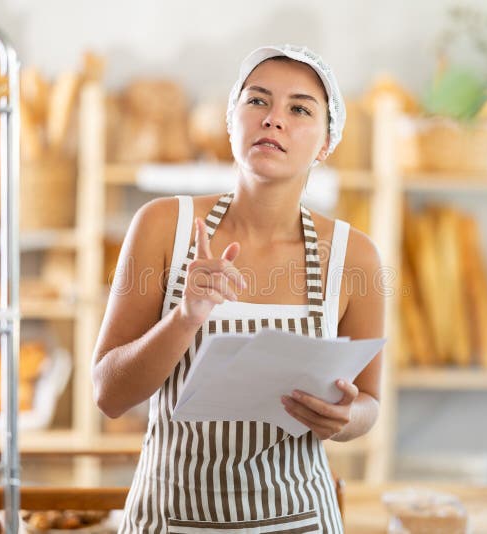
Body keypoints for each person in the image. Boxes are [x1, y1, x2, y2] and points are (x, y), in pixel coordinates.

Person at [92, 44, 384, 533]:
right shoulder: (165, 226)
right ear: (232, 123)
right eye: (257, 101)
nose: (274, 120)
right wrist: (184, 316)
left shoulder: (354, 256)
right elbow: (109, 395)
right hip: (169, 518)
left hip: (299, 520)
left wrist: (343, 420)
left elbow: (370, 402)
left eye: (299, 109)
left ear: (327, 142)